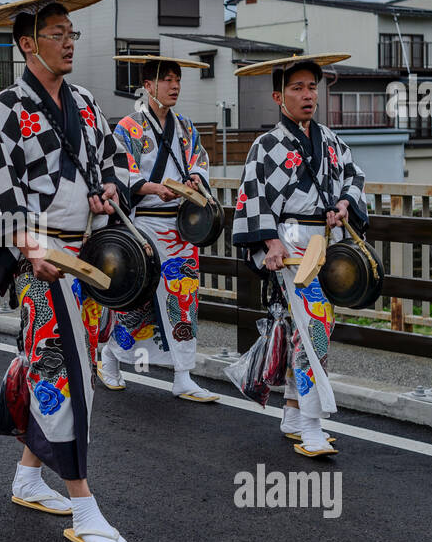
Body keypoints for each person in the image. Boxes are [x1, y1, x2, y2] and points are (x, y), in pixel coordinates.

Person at [0, 0, 134, 542]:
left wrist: (107, 187)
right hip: (41, 259)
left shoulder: (86, 102)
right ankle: (84, 504)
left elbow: (109, 162)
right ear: (26, 44)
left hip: (84, 255)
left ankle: (24, 478)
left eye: (71, 34)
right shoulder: (3, 110)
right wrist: (26, 247)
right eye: (57, 34)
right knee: (65, 373)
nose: (68, 43)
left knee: (67, 368)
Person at [231, 54, 366, 458]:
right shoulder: (266, 145)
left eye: (312, 87)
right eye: (297, 88)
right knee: (313, 330)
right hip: (289, 244)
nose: (308, 95)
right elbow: (251, 197)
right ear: (278, 96)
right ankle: (310, 425)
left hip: (325, 241)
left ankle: (292, 412)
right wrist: (269, 242)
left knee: (304, 330)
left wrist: (344, 204)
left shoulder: (330, 139)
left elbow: (354, 177)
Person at [99, 56, 219, 402]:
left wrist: (196, 178)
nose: (174, 86)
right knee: (138, 301)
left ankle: (183, 375)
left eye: (177, 79)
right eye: (166, 80)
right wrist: (154, 188)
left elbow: (199, 160)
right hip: (147, 224)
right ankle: (110, 358)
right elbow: (120, 171)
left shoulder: (185, 127)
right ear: (147, 85)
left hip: (182, 228)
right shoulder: (128, 127)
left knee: (184, 300)